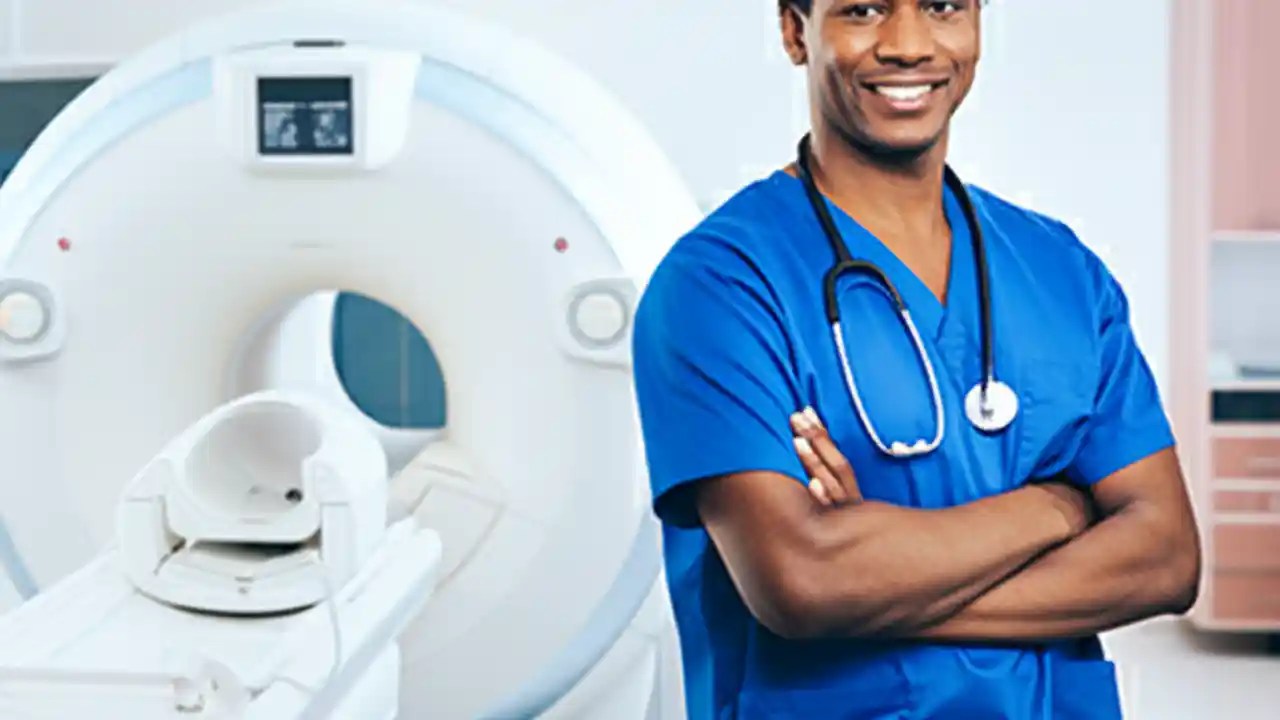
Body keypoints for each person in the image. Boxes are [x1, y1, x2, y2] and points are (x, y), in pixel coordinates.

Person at [630, 1, 1202, 718]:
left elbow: (1166, 557)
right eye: (864, 10)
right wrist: (1058, 507)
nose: (908, 44)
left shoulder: (1061, 270)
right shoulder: (722, 286)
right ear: (795, 30)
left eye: (942, 7)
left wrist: (876, 585)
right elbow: (802, 581)